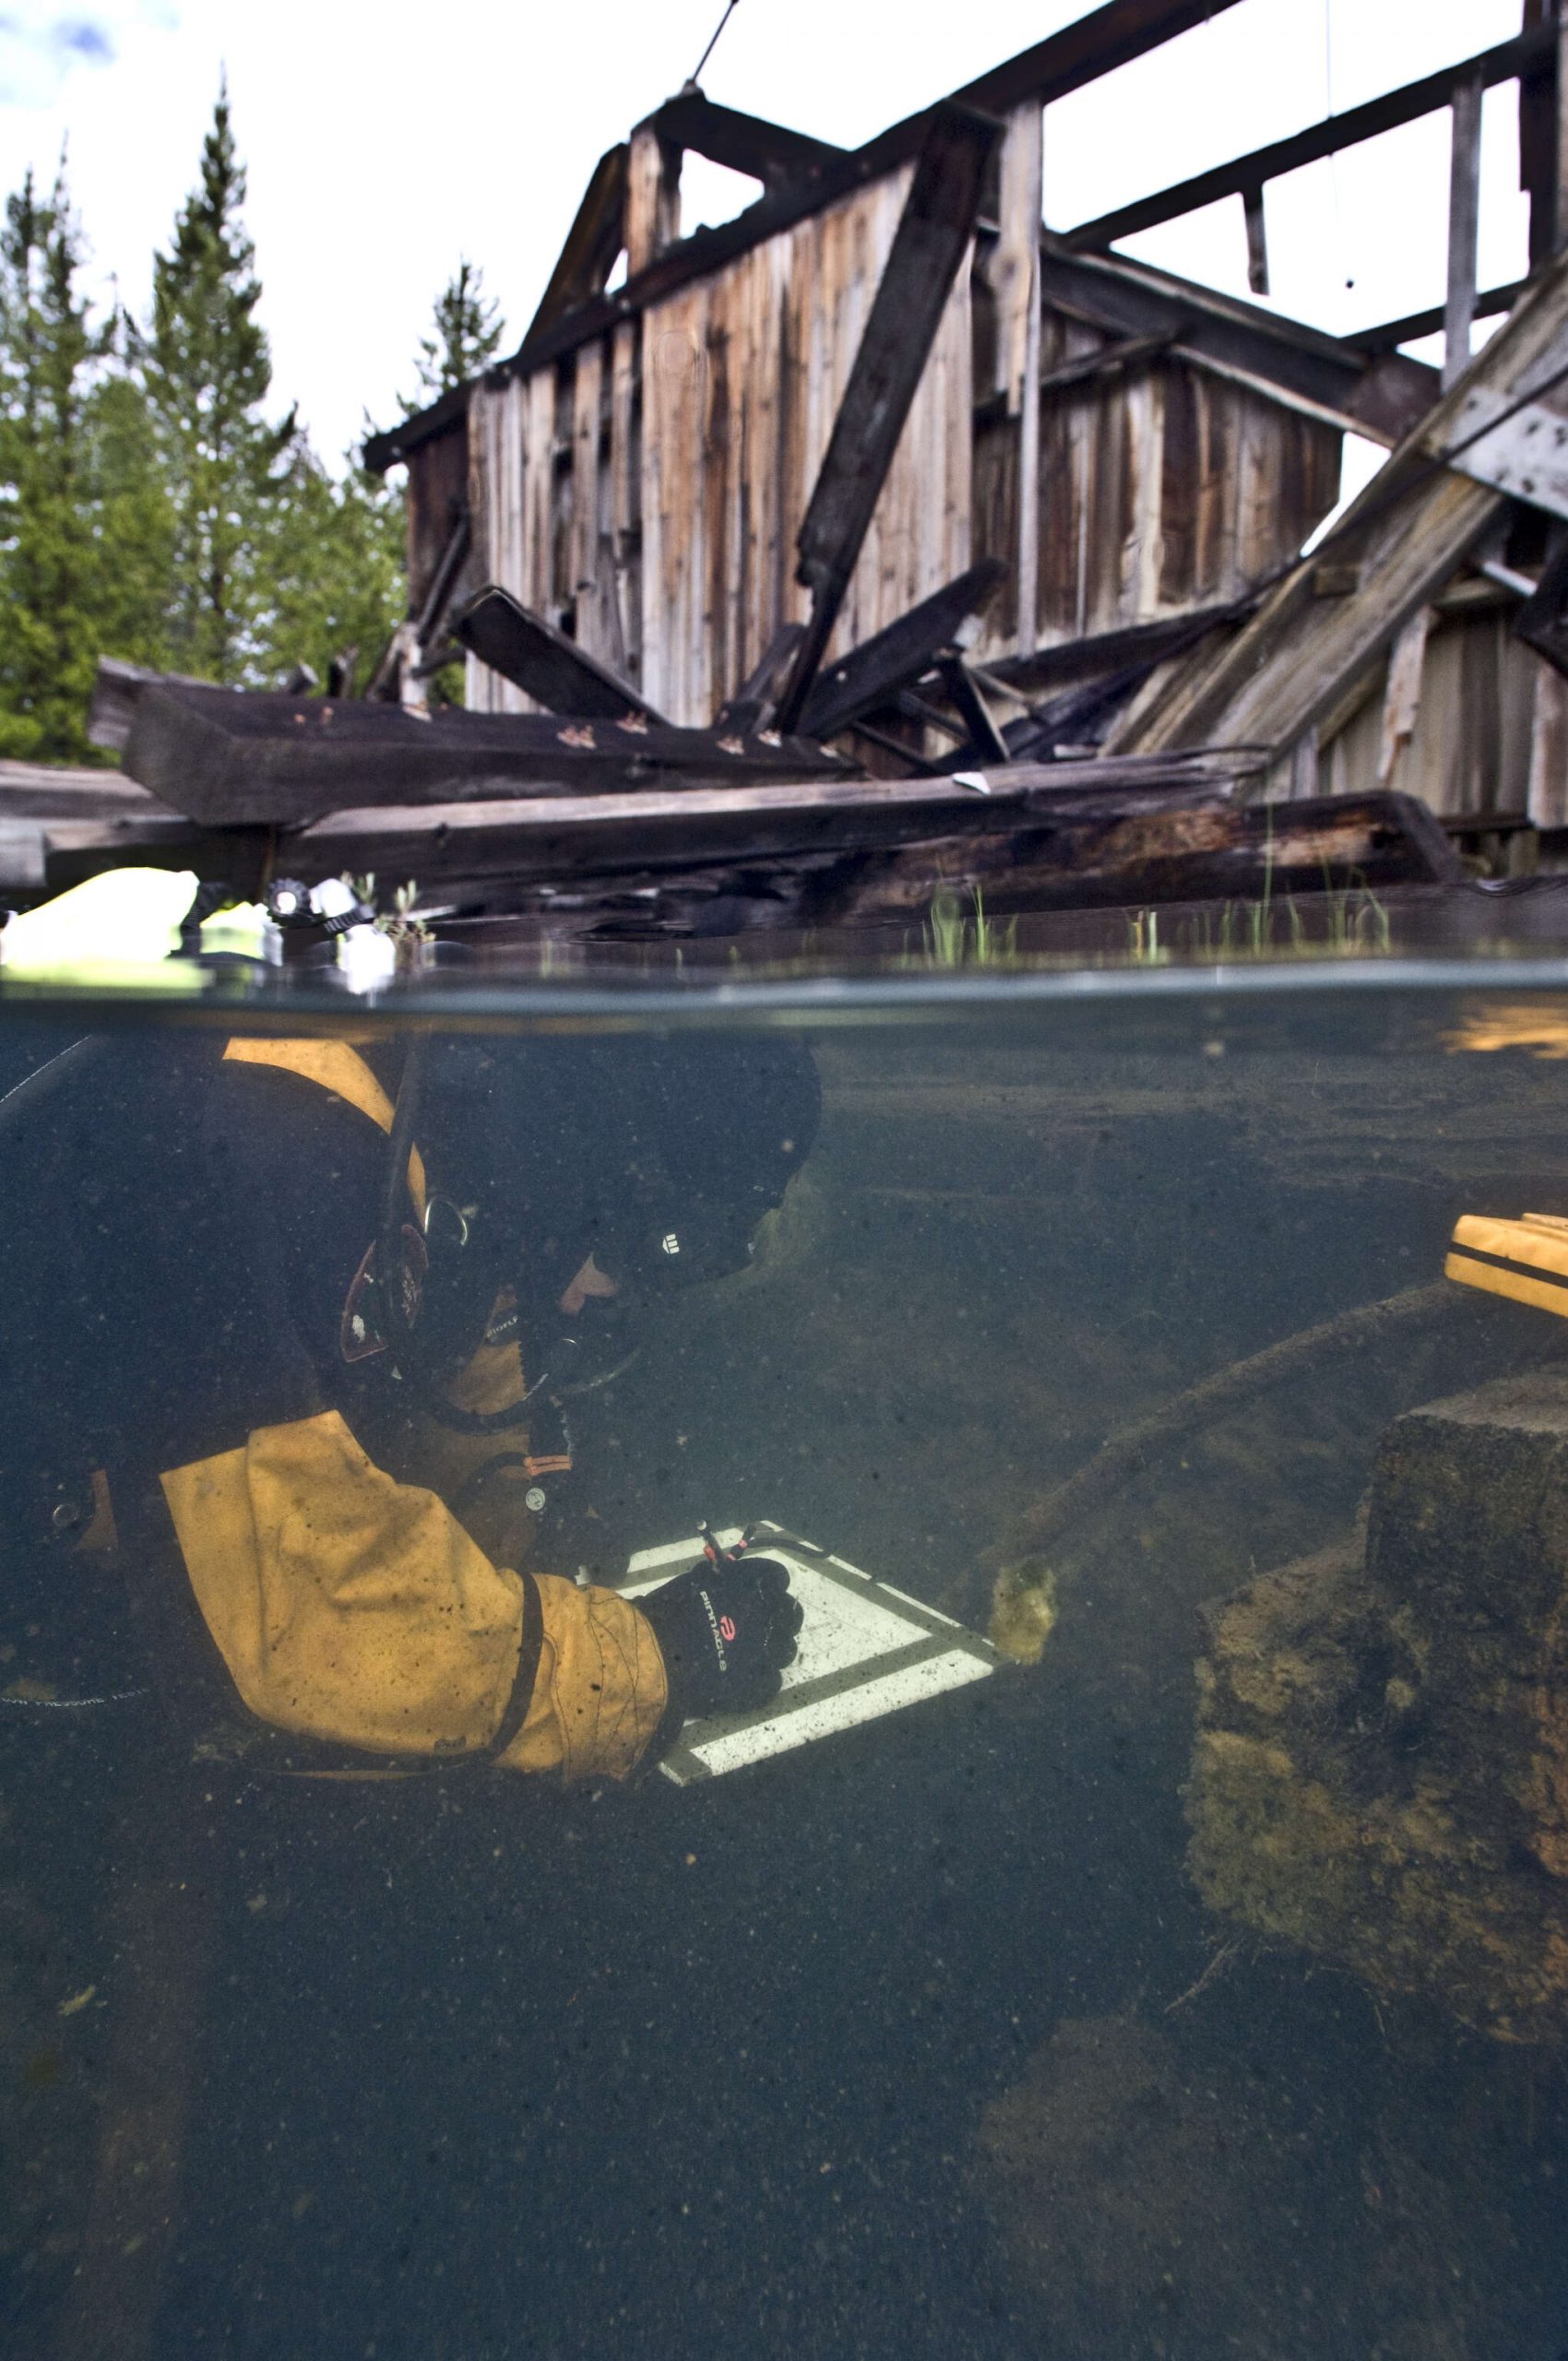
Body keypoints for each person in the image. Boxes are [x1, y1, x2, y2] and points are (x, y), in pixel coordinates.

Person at [0, 1003, 817, 1784]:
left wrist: (526, 1567)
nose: (610, 1300)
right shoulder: (283, 1140)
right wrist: (640, 1666)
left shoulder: (434, 1140)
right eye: (651, 1256)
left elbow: (454, 1423)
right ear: (610, 1160)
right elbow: (293, 1634)